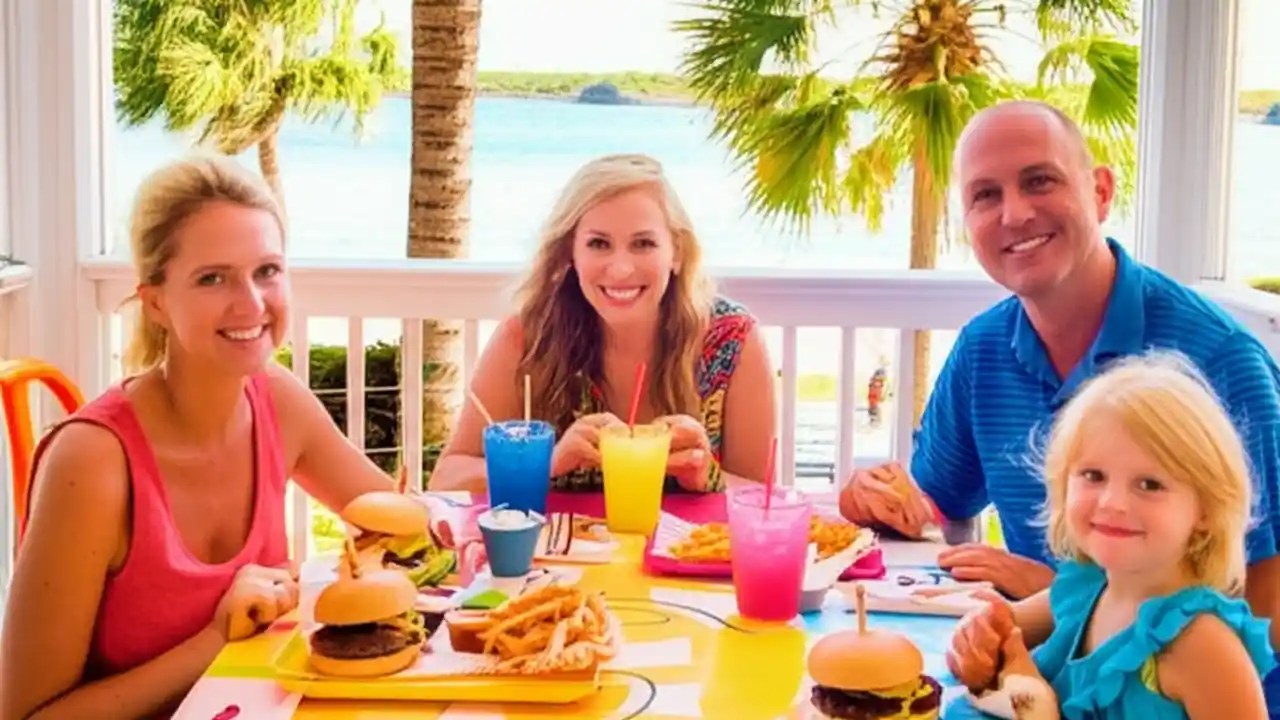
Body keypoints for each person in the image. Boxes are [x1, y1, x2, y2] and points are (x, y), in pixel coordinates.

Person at [1, 156, 399, 720]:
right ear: (156, 302)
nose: (252, 303)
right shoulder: (92, 460)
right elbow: (27, 716)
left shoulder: (277, 400)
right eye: (213, 277)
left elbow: (399, 524)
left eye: (267, 270)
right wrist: (216, 638)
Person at [837, 100, 1280, 604]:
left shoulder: (1220, 362)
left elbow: (1268, 607)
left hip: (1184, 679)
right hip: (1040, 667)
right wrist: (872, 499)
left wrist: (1062, 598)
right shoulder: (983, 349)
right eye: (986, 195)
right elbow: (935, 507)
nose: (1016, 213)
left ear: (1101, 192)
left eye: (1039, 181)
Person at [946, 353, 1274, 719]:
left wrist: (1036, 708)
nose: (1113, 502)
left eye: (1150, 484)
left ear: (1206, 512)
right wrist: (975, 636)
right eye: (1093, 475)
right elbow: (999, 623)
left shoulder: (1201, 647)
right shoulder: (1087, 589)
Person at [430, 153, 776, 495]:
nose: (621, 268)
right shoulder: (526, 339)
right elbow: (448, 477)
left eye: (643, 244)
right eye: (599, 244)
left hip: (691, 551)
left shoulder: (732, 341)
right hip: (558, 551)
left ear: (677, 253)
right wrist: (547, 463)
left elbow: (763, 500)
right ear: (570, 253)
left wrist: (707, 476)